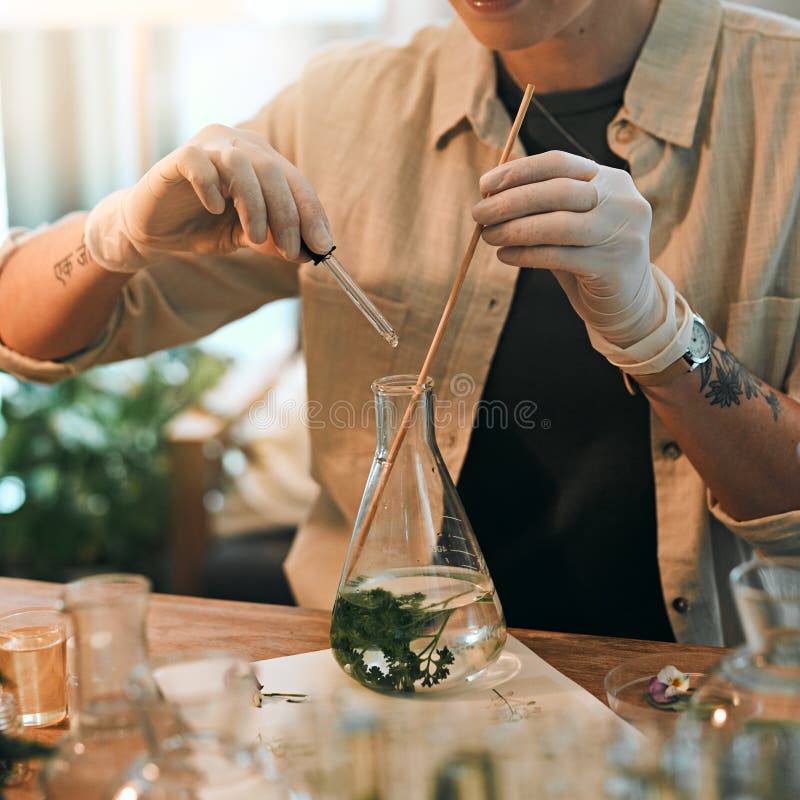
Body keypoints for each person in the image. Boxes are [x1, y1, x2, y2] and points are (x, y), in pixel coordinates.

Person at [0, 0, 797, 645]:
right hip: (379, 687)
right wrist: (114, 237)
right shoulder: (342, 109)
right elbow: (21, 326)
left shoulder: (781, 102)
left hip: (695, 704)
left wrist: (662, 338)